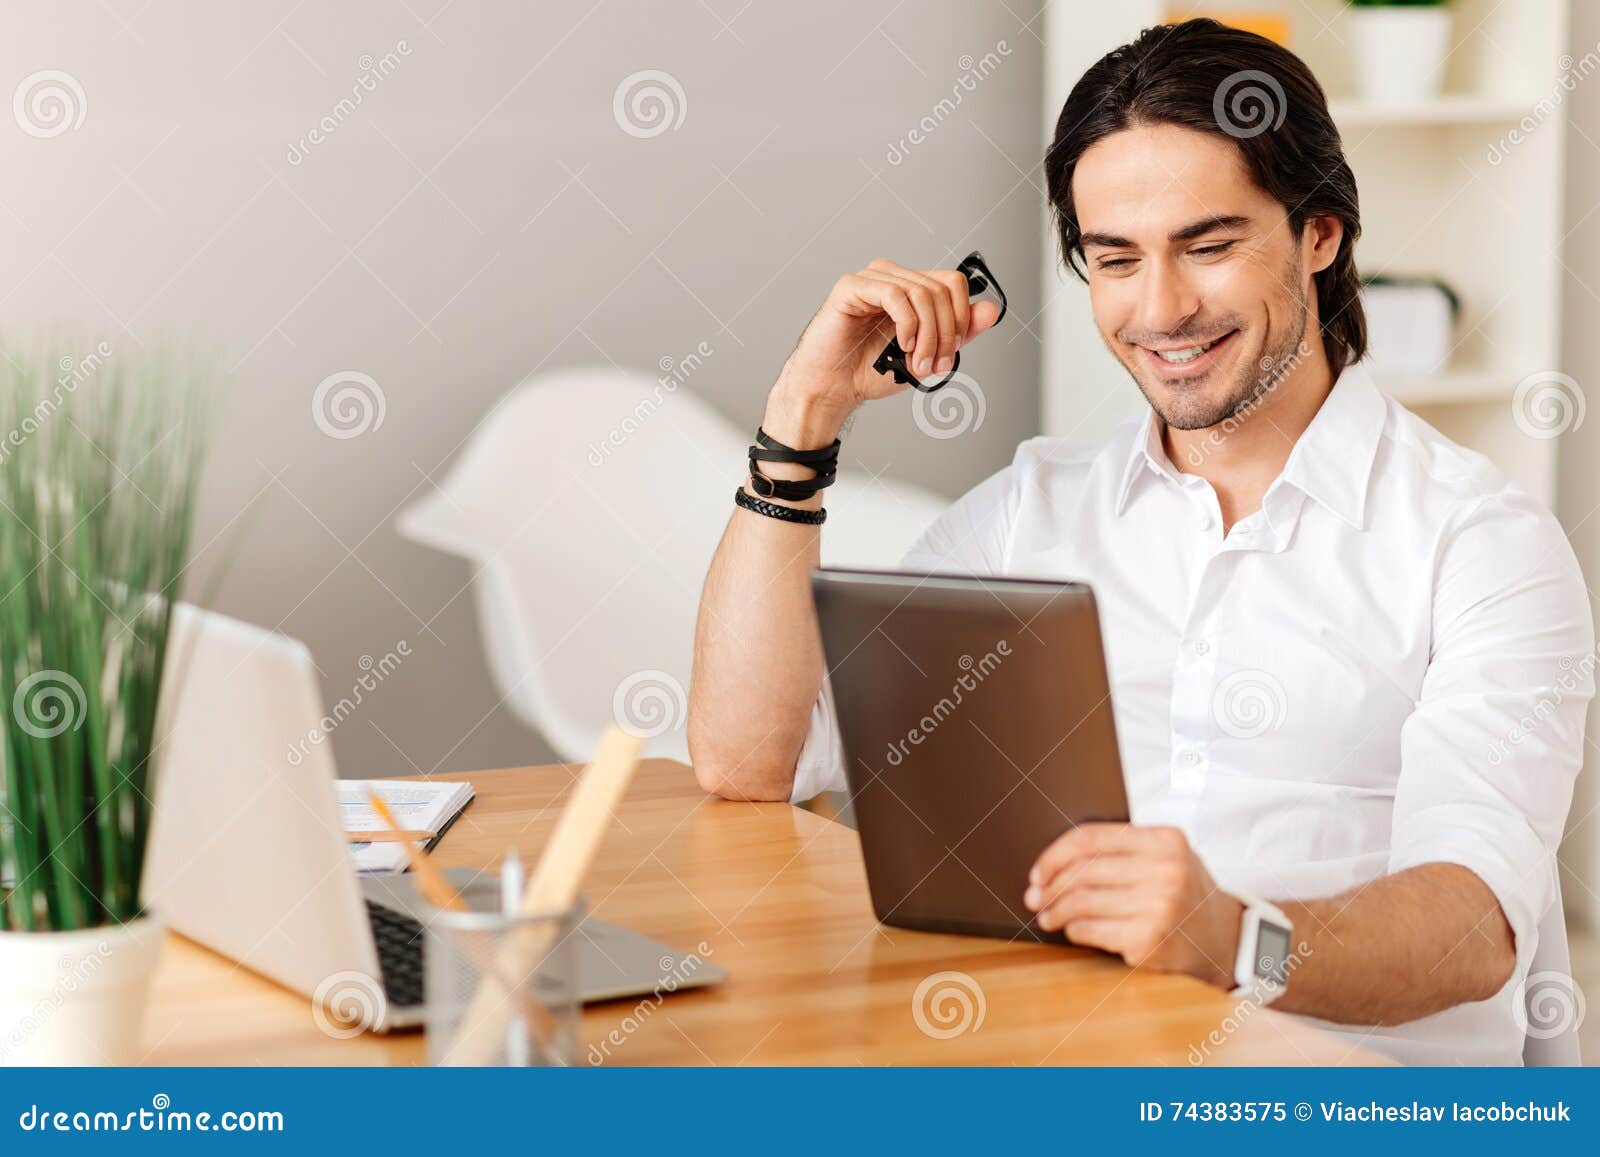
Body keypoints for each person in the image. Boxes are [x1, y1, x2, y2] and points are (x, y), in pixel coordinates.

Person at [684, 17, 1592, 1065]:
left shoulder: (1479, 541)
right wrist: (802, 418)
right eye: (1116, 259)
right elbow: (750, 759)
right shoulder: (1036, 510)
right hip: (1064, 1057)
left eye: (1207, 246)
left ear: (1321, 233)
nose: (1160, 309)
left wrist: (1234, 935)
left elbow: (1477, 927)